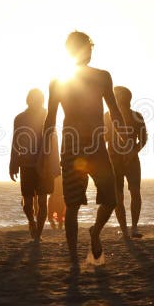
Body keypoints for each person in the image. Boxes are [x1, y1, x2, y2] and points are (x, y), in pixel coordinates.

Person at [42, 31, 126, 263]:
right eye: (85, 47)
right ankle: (72, 258)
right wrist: (44, 151)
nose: (88, 51)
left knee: (111, 199)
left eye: (90, 47)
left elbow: (114, 110)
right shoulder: (58, 81)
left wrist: (123, 136)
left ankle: (95, 232)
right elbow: (51, 119)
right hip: (71, 149)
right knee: (72, 205)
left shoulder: (102, 77)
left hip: (97, 147)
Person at [9, 88, 55, 241]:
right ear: (29, 99)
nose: (36, 101)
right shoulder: (20, 118)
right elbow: (15, 142)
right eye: (33, 98)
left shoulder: (48, 115)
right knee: (28, 202)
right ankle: (31, 221)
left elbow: (53, 139)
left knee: (42, 200)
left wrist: (56, 164)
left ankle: (38, 234)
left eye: (39, 98)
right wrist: (13, 163)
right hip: (27, 164)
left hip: (45, 166)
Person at [104, 86, 148, 238]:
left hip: (132, 160)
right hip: (113, 160)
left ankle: (134, 228)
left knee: (135, 192)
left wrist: (133, 152)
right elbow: (103, 138)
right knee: (118, 197)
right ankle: (124, 230)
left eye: (117, 96)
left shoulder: (137, 116)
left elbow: (143, 138)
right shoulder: (107, 116)